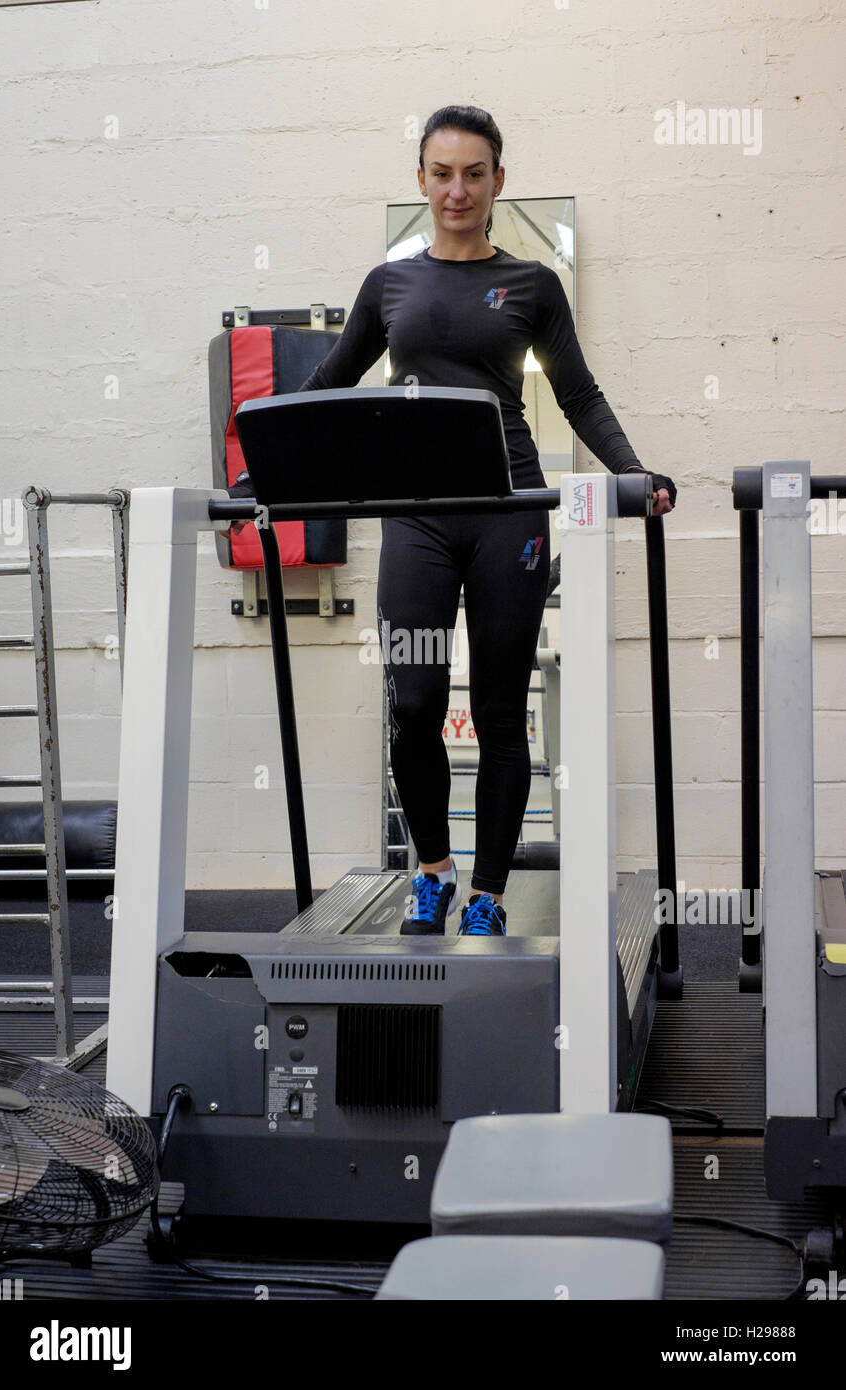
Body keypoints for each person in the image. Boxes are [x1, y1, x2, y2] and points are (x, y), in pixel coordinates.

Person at [232, 104, 676, 937]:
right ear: (423, 181)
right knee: (415, 703)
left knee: (504, 712)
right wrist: (262, 468)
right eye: (443, 173)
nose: (458, 189)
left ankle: (490, 895)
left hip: (512, 511)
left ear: (499, 181)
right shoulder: (388, 284)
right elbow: (328, 379)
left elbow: (577, 393)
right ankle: (433, 872)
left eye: (475, 173)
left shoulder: (534, 284)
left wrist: (632, 472)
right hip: (418, 519)